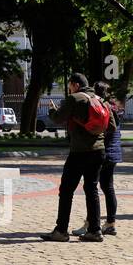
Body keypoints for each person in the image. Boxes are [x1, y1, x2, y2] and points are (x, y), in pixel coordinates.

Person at [40, 73, 108, 242]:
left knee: (66, 190)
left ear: (76, 85)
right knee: (91, 189)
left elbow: (58, 118)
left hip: (80, 151)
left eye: (70, 85)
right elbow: (111, 125)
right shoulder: (99, 99)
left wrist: (52, 110)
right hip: (99, 150)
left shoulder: (75, 99)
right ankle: (95, 230)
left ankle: (61, 230)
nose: (69, 89)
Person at [74, 81, 122, 236]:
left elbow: (104, 130)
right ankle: (110, 223)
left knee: (92, 188)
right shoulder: (113, 107)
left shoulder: (101, 107)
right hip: (114, 153)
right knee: (108, 187)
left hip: (102, 151)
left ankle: (90, 223)